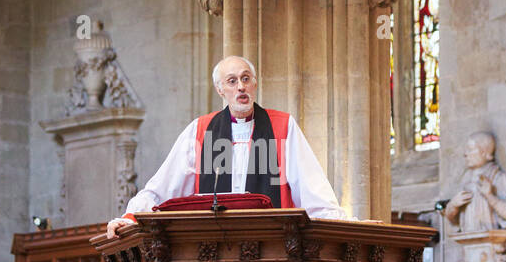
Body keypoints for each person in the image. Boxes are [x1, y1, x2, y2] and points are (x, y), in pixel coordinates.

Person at [106, 55, 347, 236]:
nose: (240, 87)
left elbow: (312, 187)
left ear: (254, 84)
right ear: (220, 90)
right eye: (232, 81)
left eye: (245, 79)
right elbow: (163, 188)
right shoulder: (200, 131)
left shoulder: (282, 127)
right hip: (213, 246)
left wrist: (340, 224)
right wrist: (129, 219)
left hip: (273, 247)